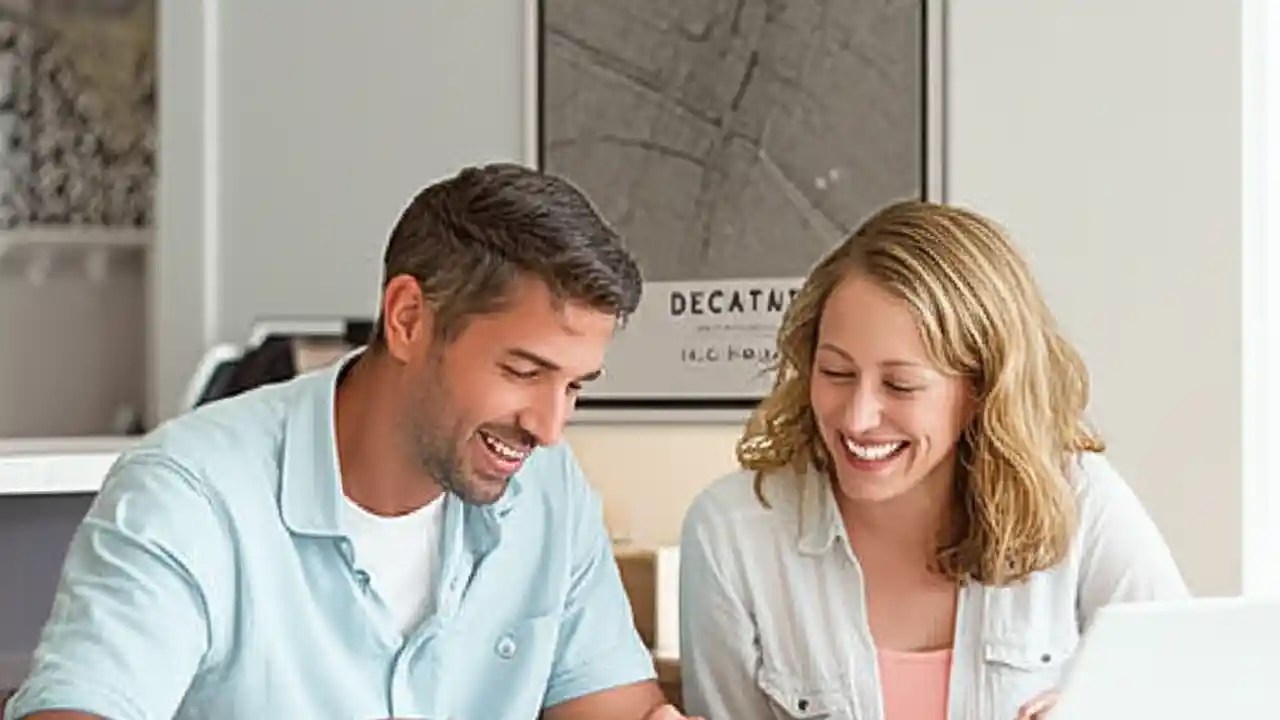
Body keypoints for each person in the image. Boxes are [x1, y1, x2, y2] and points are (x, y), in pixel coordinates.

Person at [4, 164, 699, 720]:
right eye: (523, 371)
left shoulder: (550, 489)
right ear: (406, 319)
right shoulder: (189, 492)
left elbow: (610, 704)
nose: (549, 428)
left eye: (575, 387)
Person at [677, 200, 1187, 720]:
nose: (856, 418)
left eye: (900, 384)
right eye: (835, 372)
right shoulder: (731, 533)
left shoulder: (1080, 501)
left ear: (982, 389)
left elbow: (1192, 689)